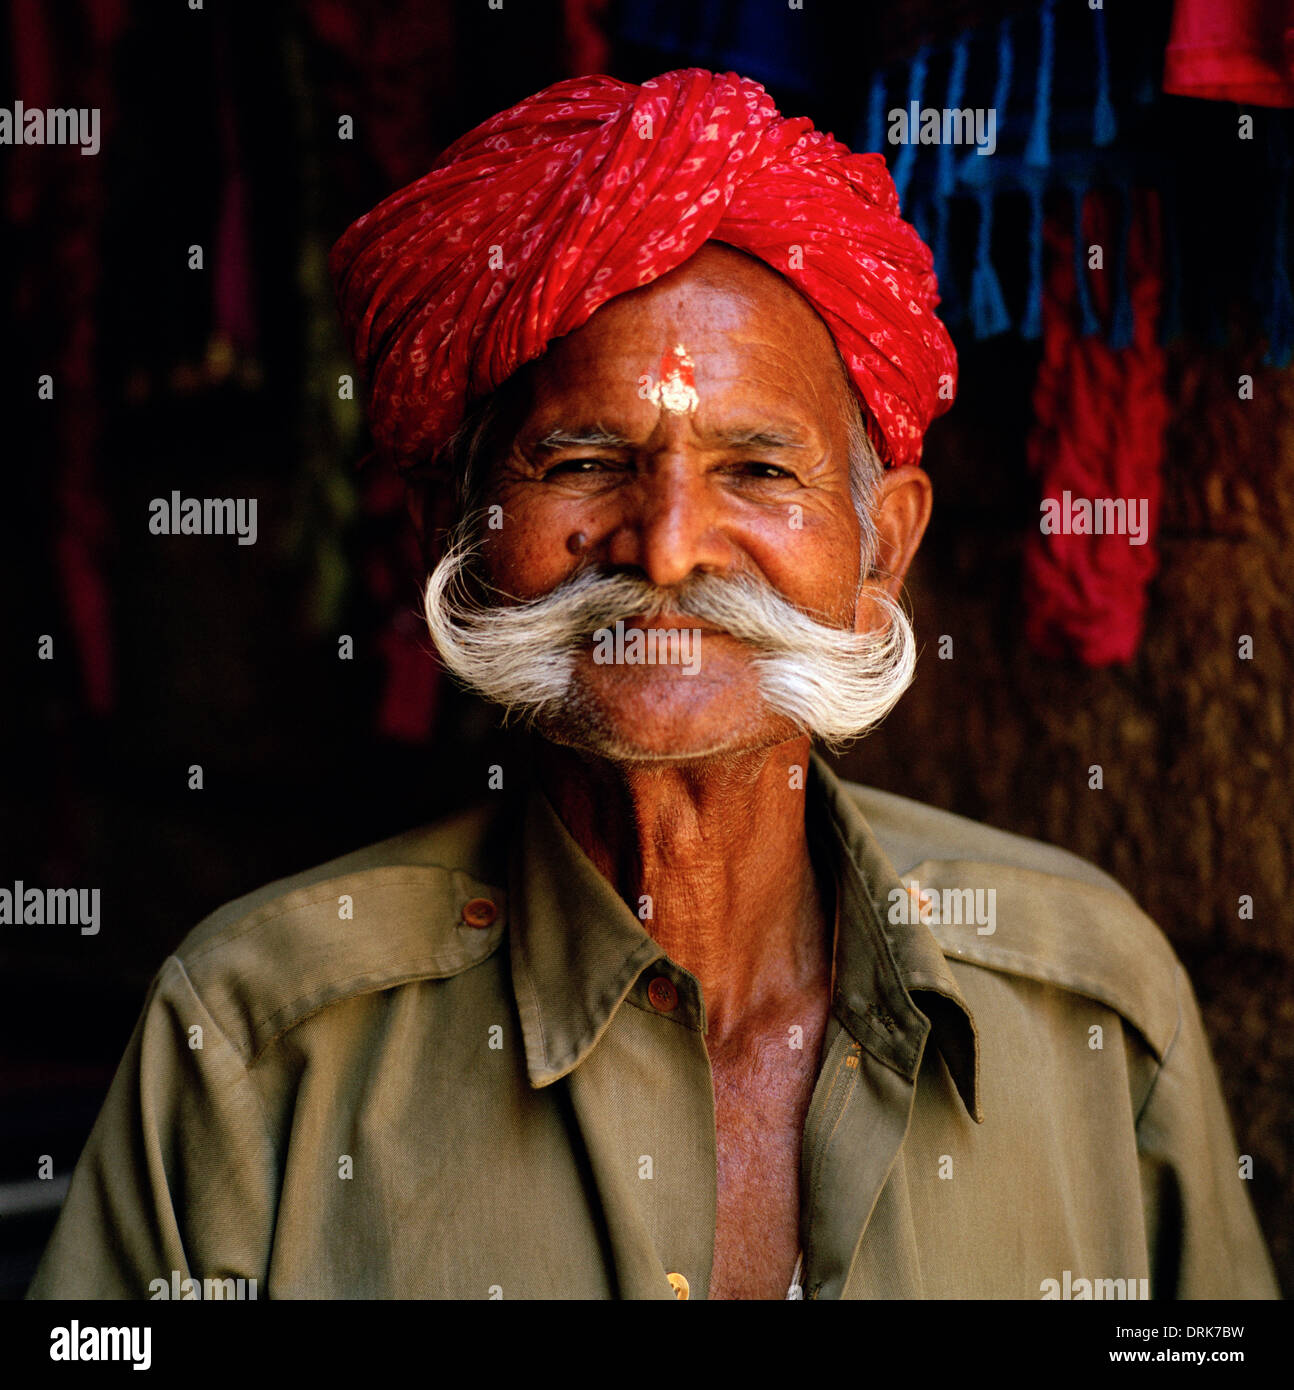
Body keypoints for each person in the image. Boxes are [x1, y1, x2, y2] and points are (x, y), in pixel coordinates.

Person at [29, 69, 1278, 1301]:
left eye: (754, 470)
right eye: (583, 459)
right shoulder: (255, 1040)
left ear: (881, 549)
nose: (667, 545)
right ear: (451, 528)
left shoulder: (1095, 1000)